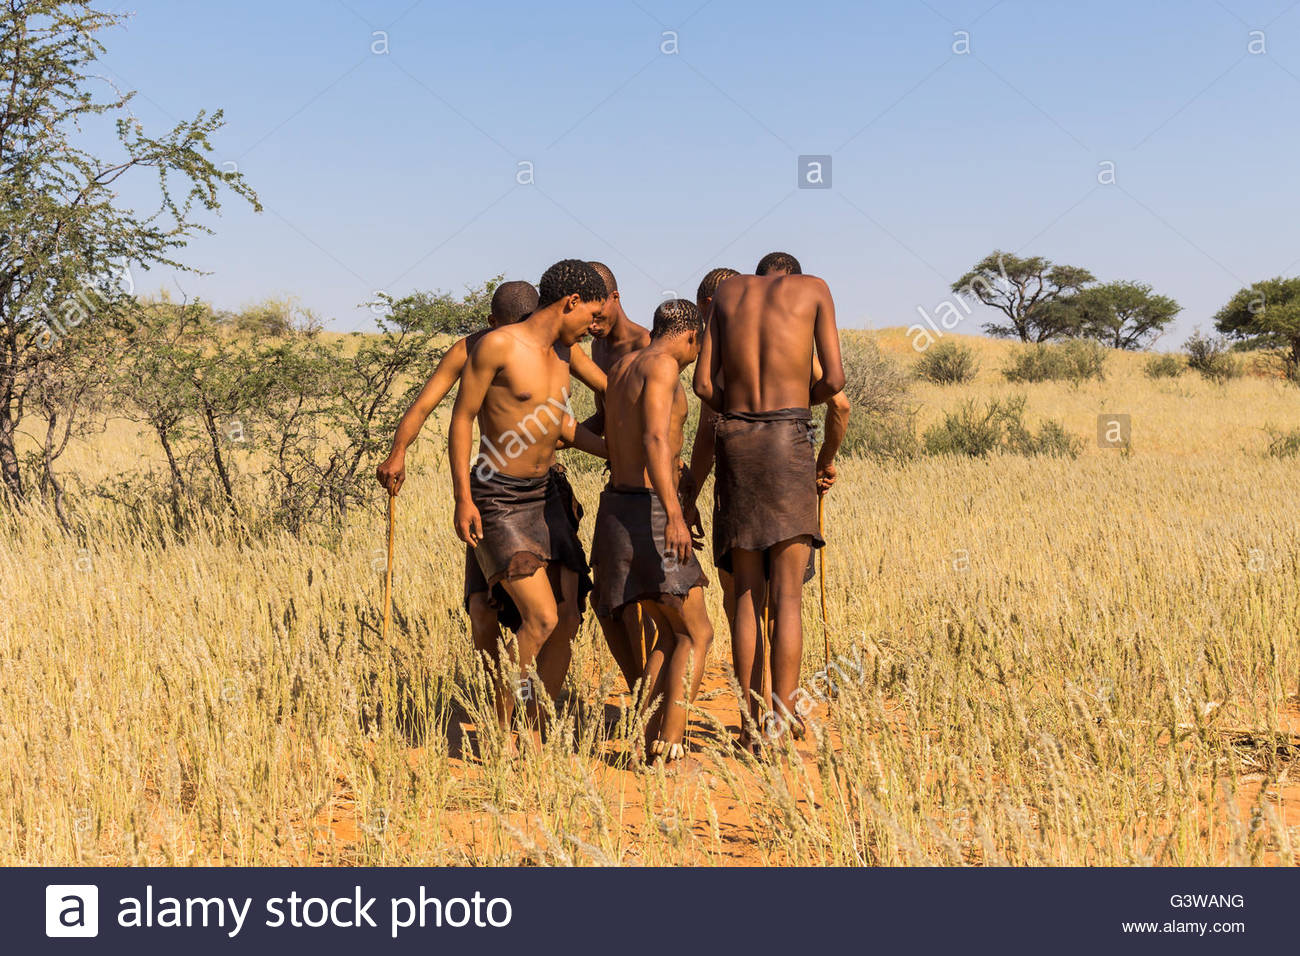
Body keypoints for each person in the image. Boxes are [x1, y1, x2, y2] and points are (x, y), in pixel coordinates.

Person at [693, 251, 847, 753]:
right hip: (787, 441)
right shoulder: (814, 288)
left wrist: (741, 409)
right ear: (791, 277)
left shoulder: (728, 292)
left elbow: (702, 384)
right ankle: (779, 723)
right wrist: (798, 399)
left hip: (737, 443)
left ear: (758, 278)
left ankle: (747, 725)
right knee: (787, 599)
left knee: (745, 595)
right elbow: (836, 382)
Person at [448, 260, 609, 733]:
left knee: (564, 617)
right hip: (497, 496)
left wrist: (621, 452)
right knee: (540, 618)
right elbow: (462, 419)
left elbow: (562, 422)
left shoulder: (564, 355)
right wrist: (463, 498)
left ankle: (534, 722)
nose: (593, 327)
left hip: (543, 495)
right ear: (571, 303)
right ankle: (503, 729)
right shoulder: (498, 345)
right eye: (591, 315)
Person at [376, 280, 540, 660]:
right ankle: (494, 689)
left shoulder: (548, 346)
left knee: (545, 610)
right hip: (492, 490)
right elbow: (423, 406)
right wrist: (398, 451)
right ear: (491, 323)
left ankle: (530, 688)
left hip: (538, 488)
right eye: (507, 330)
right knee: (482, 606)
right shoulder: (469, 350)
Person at [591, 299, 713, 764]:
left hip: (618, 506)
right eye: (699, 345)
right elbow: (656, 439)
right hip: (651, 510)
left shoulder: (622, 367)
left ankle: (646, 739)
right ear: (691, 336)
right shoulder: (662, 366)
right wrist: (674, 513)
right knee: (697, 633)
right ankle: (672, 745)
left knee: (668, 630)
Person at [581, 261, 660, 694]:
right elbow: (608, 414)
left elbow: (661, 425)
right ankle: (641, 692)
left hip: (646, 489)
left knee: (645, 600)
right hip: (617, 486)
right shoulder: (597, 348)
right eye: (587, 317)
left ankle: (653, 699)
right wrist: (565, 435)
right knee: (609, 599)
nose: (592, 325)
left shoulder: (646, 344)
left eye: (599, 315)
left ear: (616, 297)